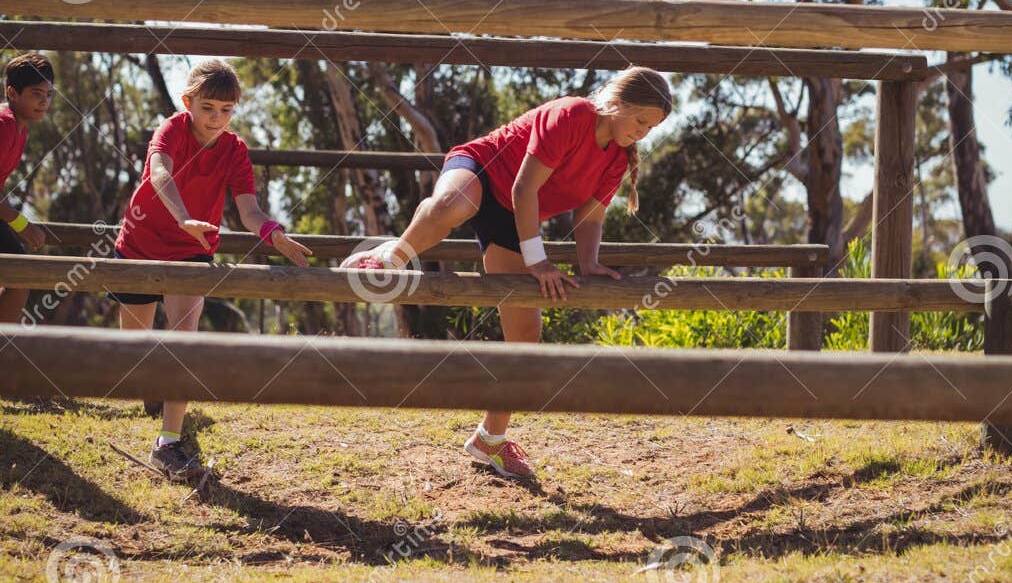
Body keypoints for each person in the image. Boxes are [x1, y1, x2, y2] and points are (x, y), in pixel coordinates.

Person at [342, 66, 672, 478]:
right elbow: (523, 188)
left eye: (651, 127)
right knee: (451, 206)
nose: (643, 132)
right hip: (481, 171)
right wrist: (538, 261)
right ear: (616, 103)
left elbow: (589, 218)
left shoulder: (616, 159)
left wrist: (588, 263)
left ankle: (489, 440)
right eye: (640, 120)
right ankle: (390, 258)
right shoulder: (571, 115)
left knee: (524, 337)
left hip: (513, 220)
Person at [112, 57, 312, 481]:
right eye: (207, 108)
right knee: (136, 352)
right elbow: (160, 173)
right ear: (188, 102)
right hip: (141, 243)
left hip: (192, 248)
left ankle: (168, 442)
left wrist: (273, 234)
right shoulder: (170, 129)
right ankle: (153, 388)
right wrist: (182, 214)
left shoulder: (235, 150)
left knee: (185, 338)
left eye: (226, 110)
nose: (216, 118)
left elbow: (249, 210)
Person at [0, 53, 54, 325]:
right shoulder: (4, 124)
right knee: (19, 275)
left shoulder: (20, 129)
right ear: (12, 92)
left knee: (19, 276)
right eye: (36, 93)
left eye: (48, 94)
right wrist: (22, 225)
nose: (44, 101)